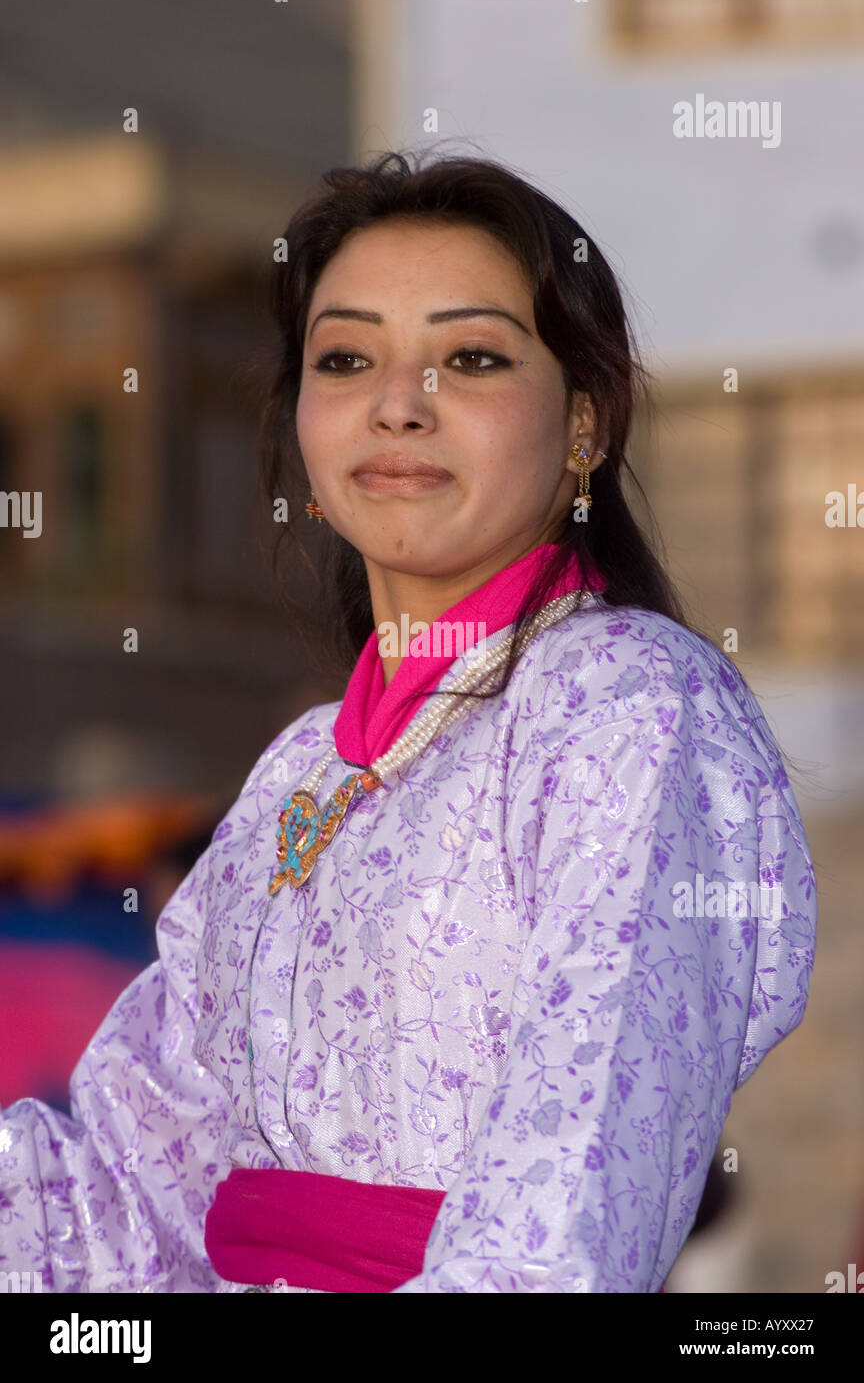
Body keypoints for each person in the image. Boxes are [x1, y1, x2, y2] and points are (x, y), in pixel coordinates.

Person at [0, 148, 817, 1294]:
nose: (396, 405)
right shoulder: (302, 777)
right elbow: (130, 1188)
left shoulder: (631, 706)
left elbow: (565, 1208)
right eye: (347, 358)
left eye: (469, 357)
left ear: (585, 422)